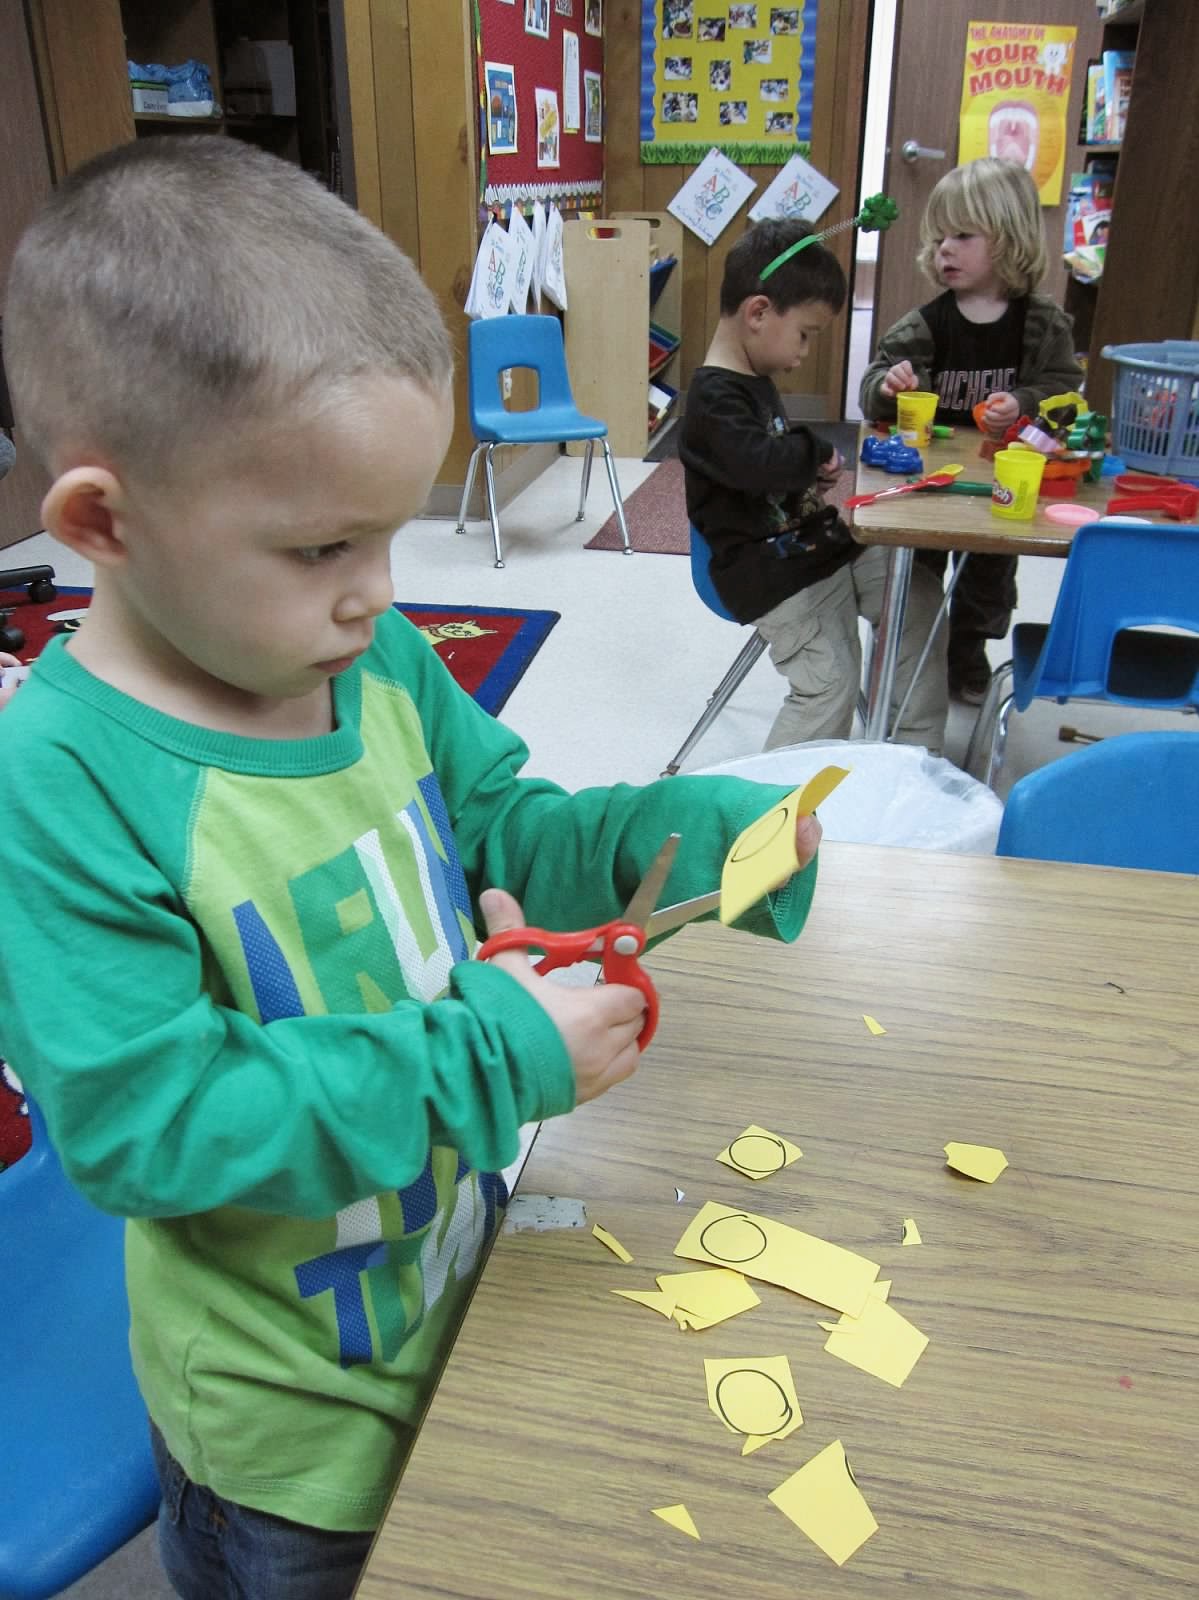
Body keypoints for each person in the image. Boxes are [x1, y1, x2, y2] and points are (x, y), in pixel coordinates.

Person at [0, 137, 825, 1600]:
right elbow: (152, 1126)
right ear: (101, 524)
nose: (380, 592)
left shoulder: (370, 658)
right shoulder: (61, 783)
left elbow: (502, 829)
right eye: (323, 546)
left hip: (452, 1292)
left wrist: (683, 834)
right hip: (291, 1437)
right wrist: (490, 1057)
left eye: (390, 533)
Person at [679, 218, 947, 753]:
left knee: (915, 597)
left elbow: (765, 477)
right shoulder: (712, 399)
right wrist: (811, 453)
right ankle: (775, 800)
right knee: (830, 686)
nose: (804, 352)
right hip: (767, 573)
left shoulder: (753, 381)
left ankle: (915, 754)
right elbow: (757, 463)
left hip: (811, 547)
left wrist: (809, 477)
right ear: (758, 313)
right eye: (805, 334)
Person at [859, 157, 1083, 703]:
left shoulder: (1041, 325)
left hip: (1000, 478)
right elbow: (870, 387)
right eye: (939, 238)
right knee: (918, 574)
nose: (945, 250)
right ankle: (915, 650)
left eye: (962, 236)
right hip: (928, 482)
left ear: (1009, 239)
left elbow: (1065, 390)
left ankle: (968, 652)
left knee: (989, 575)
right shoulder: (924, 324)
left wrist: (1025, 402)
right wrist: (888, 386)